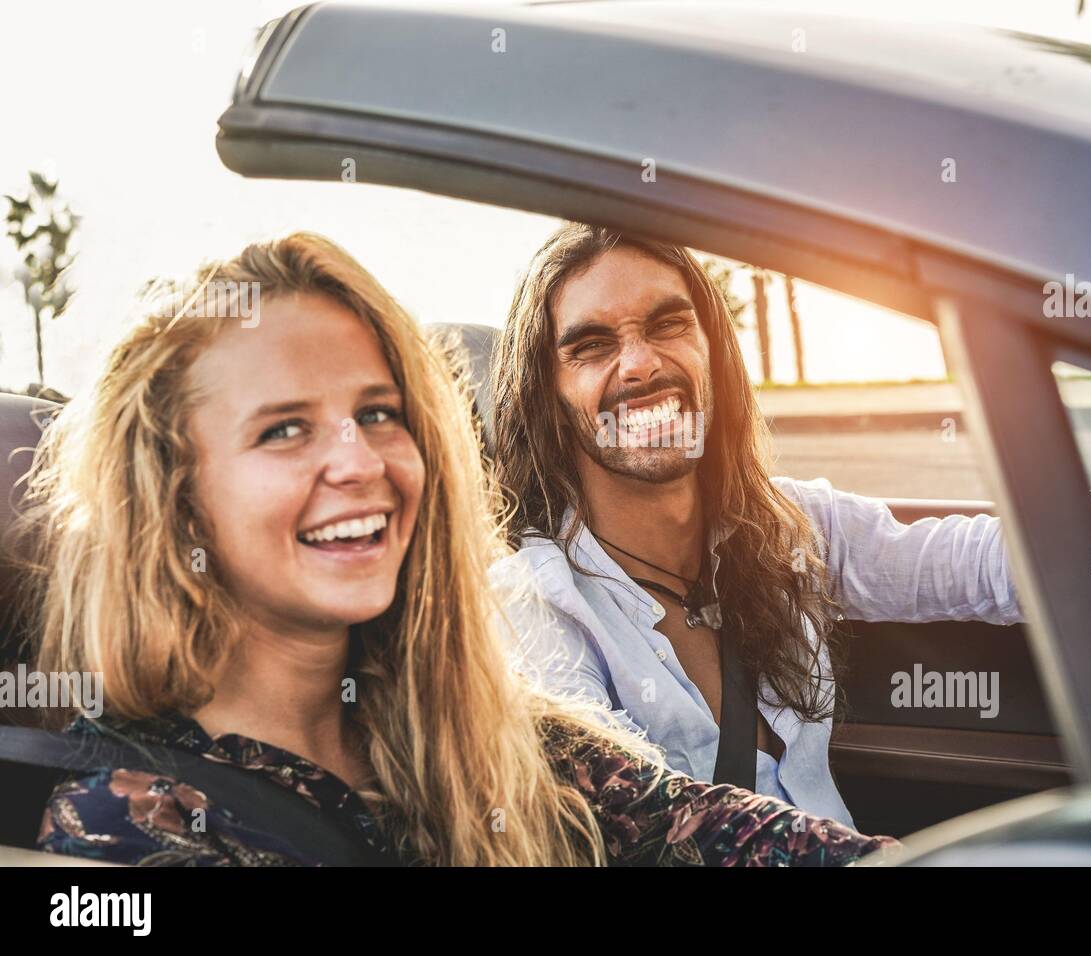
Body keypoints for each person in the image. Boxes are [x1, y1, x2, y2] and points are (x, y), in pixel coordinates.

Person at [19, 233, 894, 866]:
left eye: (378, 413)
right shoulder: (128, 833)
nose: (360, 462)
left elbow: (718, 829)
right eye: (285, 430)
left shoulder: (486, 728)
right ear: (175, 499)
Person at [491, 222, 1091, 826]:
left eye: (667, 324)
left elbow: (1017, 566)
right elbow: (639, 828)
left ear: (712, 353)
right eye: (591, 346)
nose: (638, 365)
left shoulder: (790, 528)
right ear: (548, 398)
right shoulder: (539, 603)